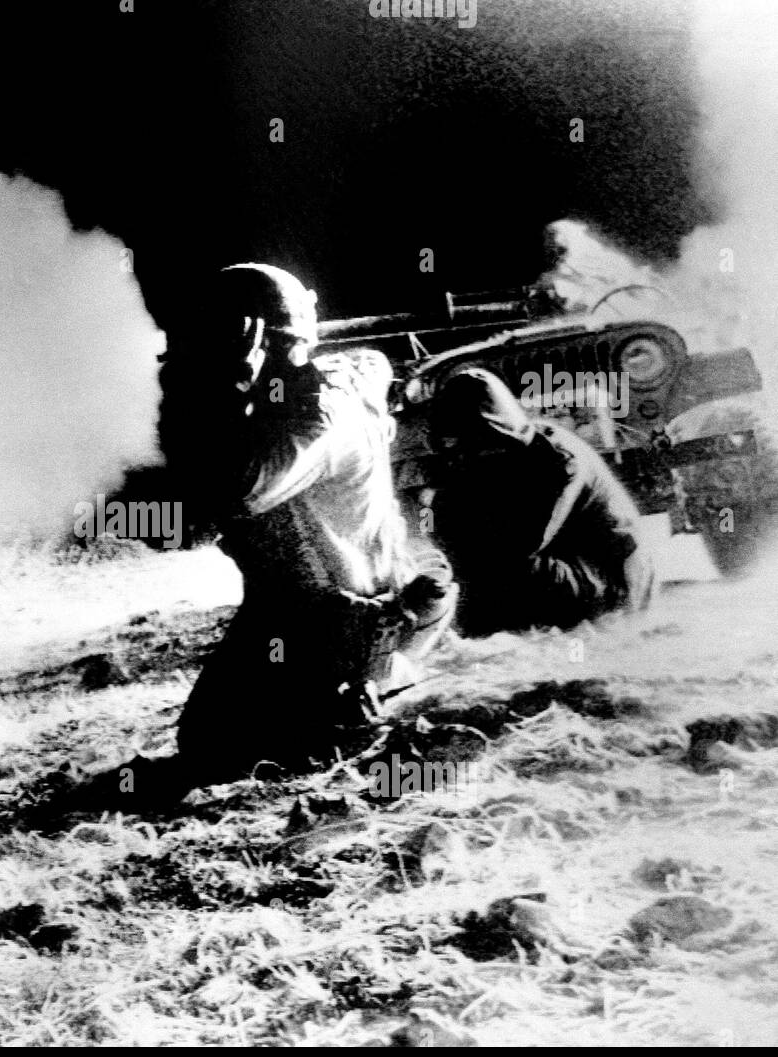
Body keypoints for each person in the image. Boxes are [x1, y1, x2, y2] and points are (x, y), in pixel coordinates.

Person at [69, 264, 456, 810]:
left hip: (344, 620)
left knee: (242, 765)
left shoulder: (317, 417)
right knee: (206, 742)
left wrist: (217, 387)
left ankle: (362, 724)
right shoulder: (292, 401)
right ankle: (339, 717)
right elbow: (197, 513)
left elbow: (233, 491)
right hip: (300, 610)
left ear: (254, 345)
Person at [425, 367, 656, 636]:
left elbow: (525, 542)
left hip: (614, 578)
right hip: (569, 565)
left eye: (472, 443)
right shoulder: (482, 457)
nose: (465, 455)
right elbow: (445, 522)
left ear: (495, 432)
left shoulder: (557, 459)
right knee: (467, 571)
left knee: (501, 571)